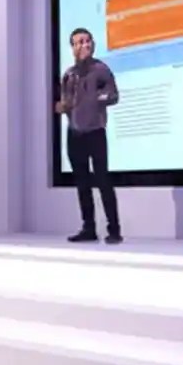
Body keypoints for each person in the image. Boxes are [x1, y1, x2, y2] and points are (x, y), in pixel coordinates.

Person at [55, 27, 122, 244]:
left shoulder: (101, 69)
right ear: (72, 47)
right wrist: (62, 107)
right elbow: (65, 102)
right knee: (82, 184)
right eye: (79, 42)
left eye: (87, 41)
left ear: (92, 44)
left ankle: (114, 230)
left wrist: (95, 99)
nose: (84, 45)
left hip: (95, 132)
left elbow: (113, 95)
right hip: (74, 134)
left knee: (103, 181)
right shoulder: (68, 74)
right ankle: (89, 228)